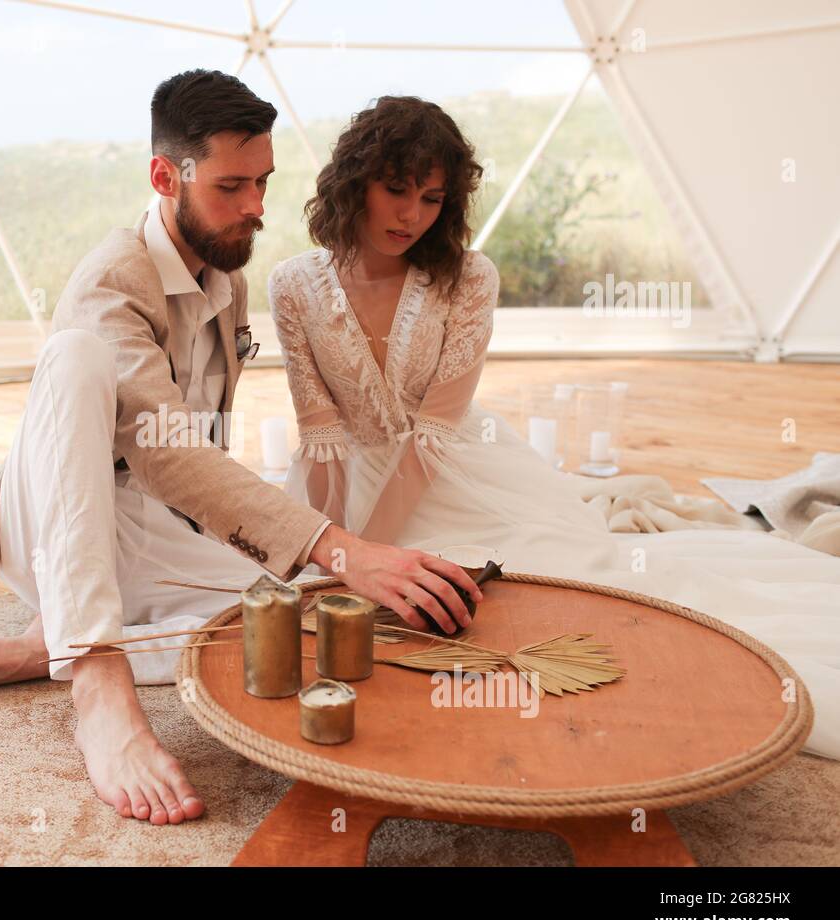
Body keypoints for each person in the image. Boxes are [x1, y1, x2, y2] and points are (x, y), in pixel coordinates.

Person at [0, 71, 484, 826]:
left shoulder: (227, 276)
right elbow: (167, 454)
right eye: (231, 186)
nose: (255, 208)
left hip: (158, 531)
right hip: (65, 526)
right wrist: (345, 547)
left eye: (262, 183)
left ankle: (48, 644)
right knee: (76, 357)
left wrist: (335, 561)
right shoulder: (112, 279)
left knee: (305, 623)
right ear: (166, 176)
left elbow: (201, 462)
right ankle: (96, 677)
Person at [269, 94, 840, 760]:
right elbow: (321, 437)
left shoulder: (469, 277)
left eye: (430, 198)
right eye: (395, 190)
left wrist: (374, 560)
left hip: (454, 471)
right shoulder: (291, 284)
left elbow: (432, 438)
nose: (411, 215)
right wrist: (339, 560)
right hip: (346, 484)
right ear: (352, 181)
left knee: (585, 595)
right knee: (298, 607)